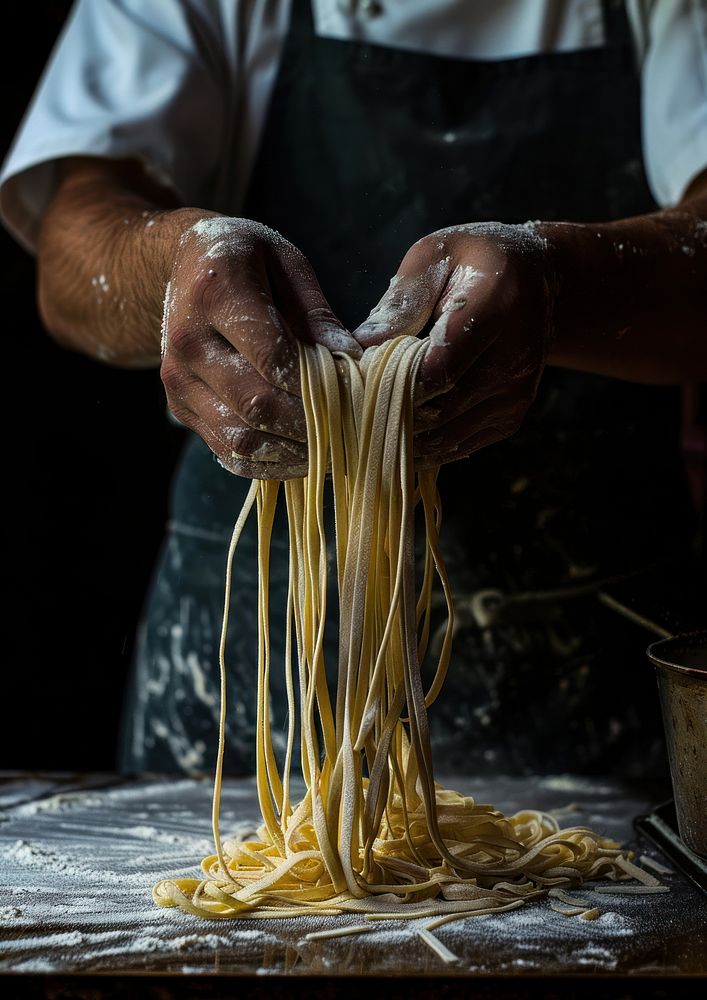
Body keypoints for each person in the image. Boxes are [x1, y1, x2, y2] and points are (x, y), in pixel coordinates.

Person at [2, 0, 705, 779]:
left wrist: (560, 284)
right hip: (254, 634)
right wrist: (174, 264)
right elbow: (75, 241)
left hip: (585, 643)